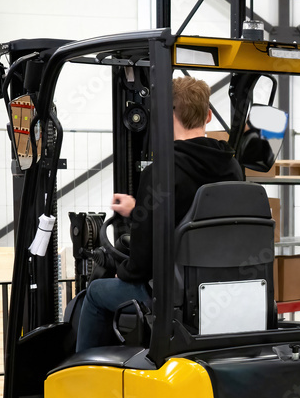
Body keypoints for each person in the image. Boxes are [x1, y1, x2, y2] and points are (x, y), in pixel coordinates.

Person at [76, 76, 245, 350]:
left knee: (95, 293)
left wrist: (124, 273)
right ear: (209, 116)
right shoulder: (233, 168)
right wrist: (137, 210)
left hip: (173, 294)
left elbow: (142, 260)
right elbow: (186, 215)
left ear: (166, 117)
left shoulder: (162, 172)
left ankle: (81, 379)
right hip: (224, 286)